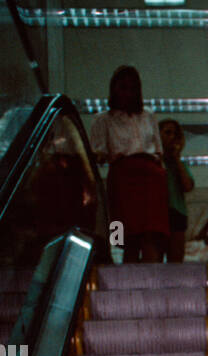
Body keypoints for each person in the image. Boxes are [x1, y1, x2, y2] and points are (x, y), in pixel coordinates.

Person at [88, 66, 168, 262]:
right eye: (123, 87)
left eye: (133, 88)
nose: (128, 92)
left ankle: (153, 281)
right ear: (113, 89)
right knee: (125, 236)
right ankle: (126, 281)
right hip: (123, 177)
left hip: (152, 177)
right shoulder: (103, 119)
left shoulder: (148, 115)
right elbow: (97, 152)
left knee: (152, 233)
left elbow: (158, 150)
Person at [158, 118, 195, 263]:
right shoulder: (153, 161)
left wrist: (177, 158)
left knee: (176, 260)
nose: (171, 137)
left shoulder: (180, 164)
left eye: (175, 134)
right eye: (167, 133)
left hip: (177, 213)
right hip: (157, 214)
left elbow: (187, 186)